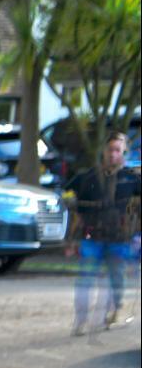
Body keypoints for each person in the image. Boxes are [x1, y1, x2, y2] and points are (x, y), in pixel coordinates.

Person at [67, 131, 141, 335]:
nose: (113, 154)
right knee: (85, 278)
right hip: (92, 237)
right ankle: (81, 320)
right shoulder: (86, 178)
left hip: (120, 239)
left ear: (124, 152)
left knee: (116, 278)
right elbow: (70, 204)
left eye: (117, 150)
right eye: (110, 149)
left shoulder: (132, 179)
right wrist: (71, 238)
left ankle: (114, 312)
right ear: (103, 151)